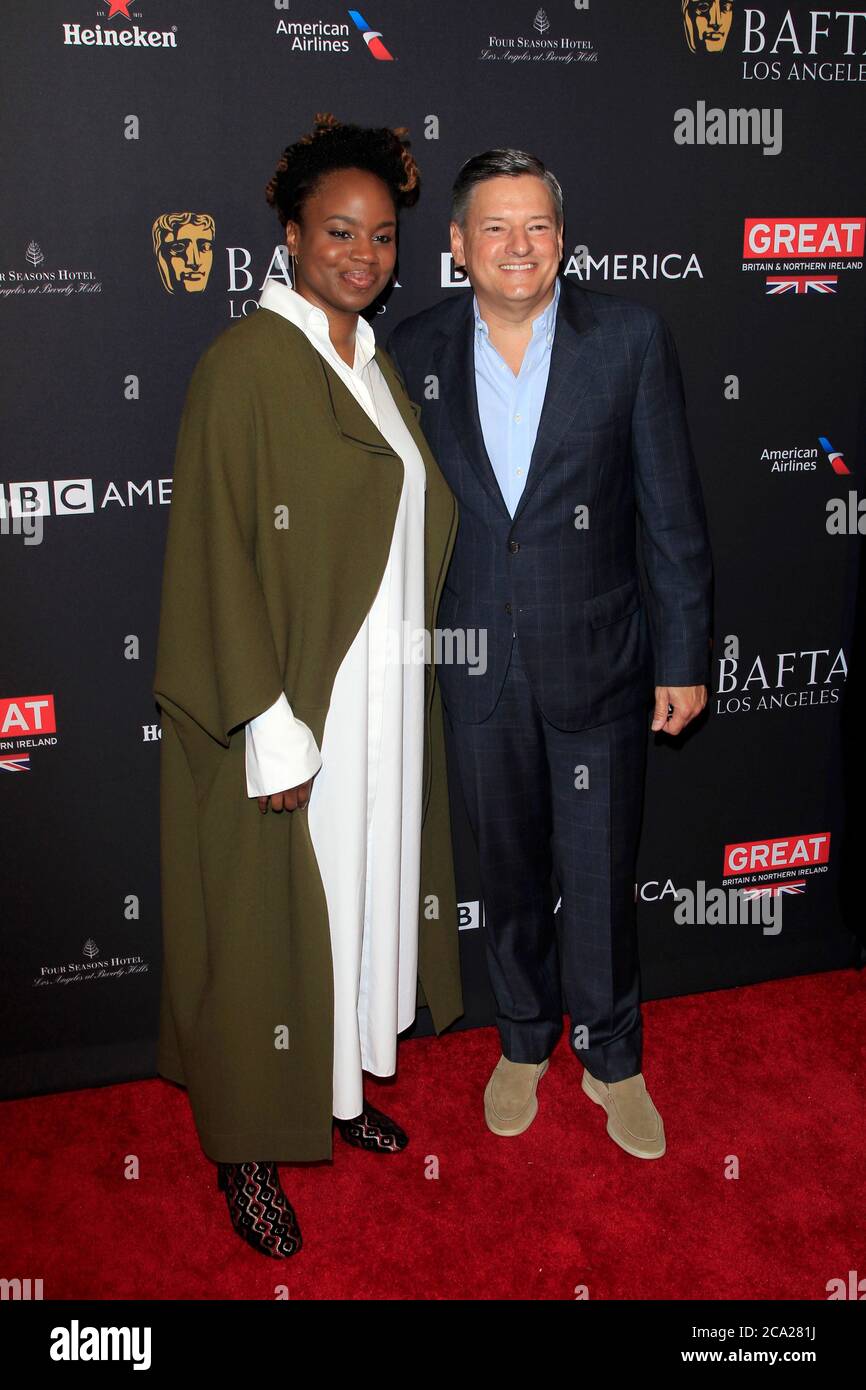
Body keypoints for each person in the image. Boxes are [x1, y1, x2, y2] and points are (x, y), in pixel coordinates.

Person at [153, 114, 462, 1259]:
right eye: (337, 230)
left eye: (381, 236)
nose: (362, 254)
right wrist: (264, 723)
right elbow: (211, 553)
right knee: (258, 925)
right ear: (289, 234)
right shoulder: (242, 364)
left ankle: (331, 1090)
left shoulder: (373, 365)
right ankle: (244, 1148)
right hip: (288, 710)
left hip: (377, 707)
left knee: (347, 906)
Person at [387, 149, 713, 1160]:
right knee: (510, 872)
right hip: (475, 660)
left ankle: (612, 1056)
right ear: (455, 245)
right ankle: (522, 1039)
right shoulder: (414, 348)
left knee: (599, 871)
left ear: (561, 240)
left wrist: (684, 652)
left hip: (601, 661)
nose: (516, 247)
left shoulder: (626, 342)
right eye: (493, 227)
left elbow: (669, 513)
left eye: (535, 226)